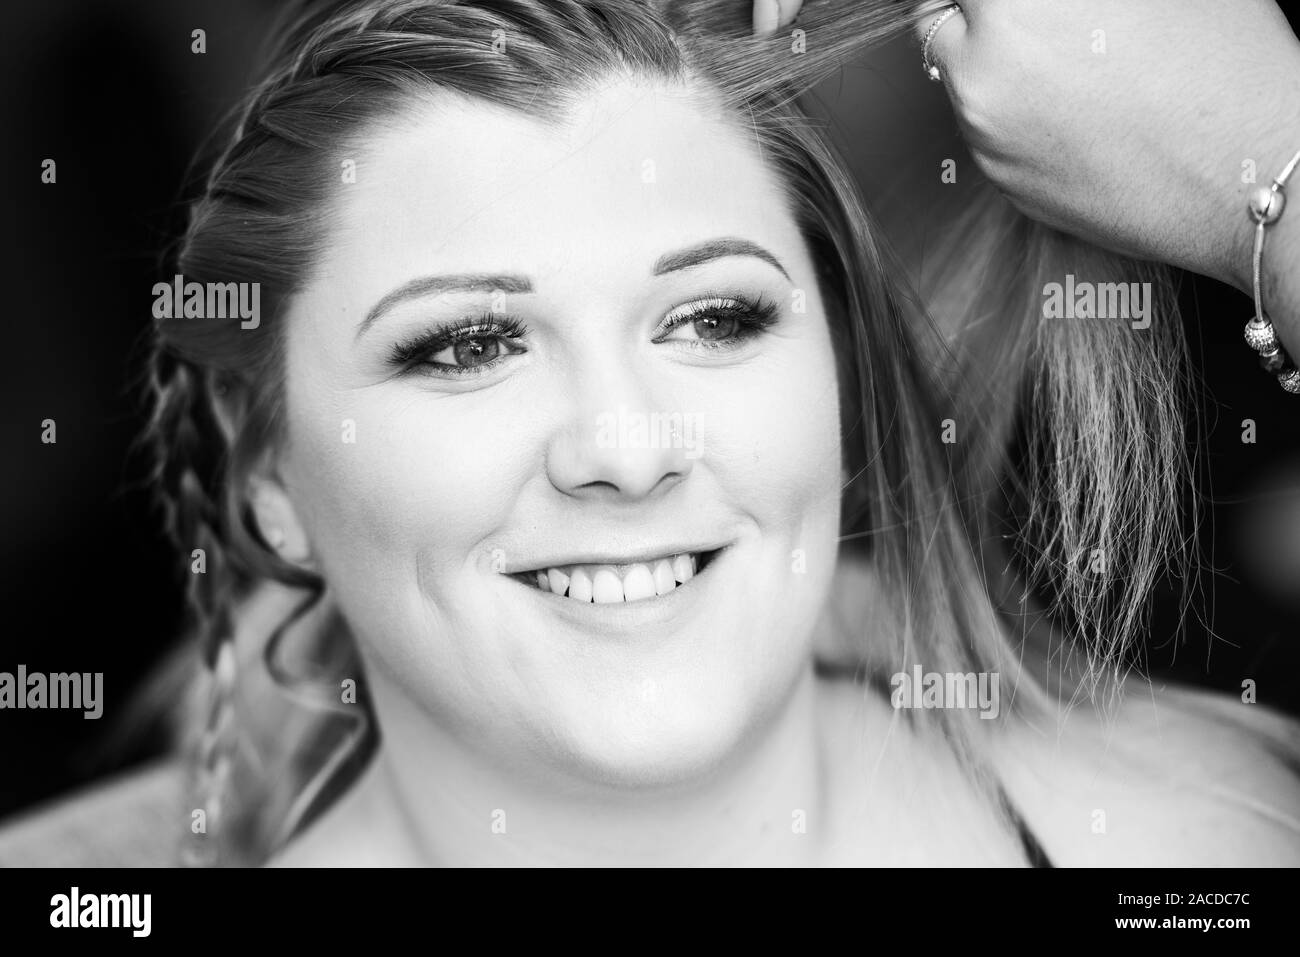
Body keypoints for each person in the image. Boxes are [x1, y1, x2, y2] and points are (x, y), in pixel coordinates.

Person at [1, 0, 1297, 867]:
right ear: (268, 467)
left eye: (718, 317)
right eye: (465, 345)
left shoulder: (1211, 841)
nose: (625, 445)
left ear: (836, 384)